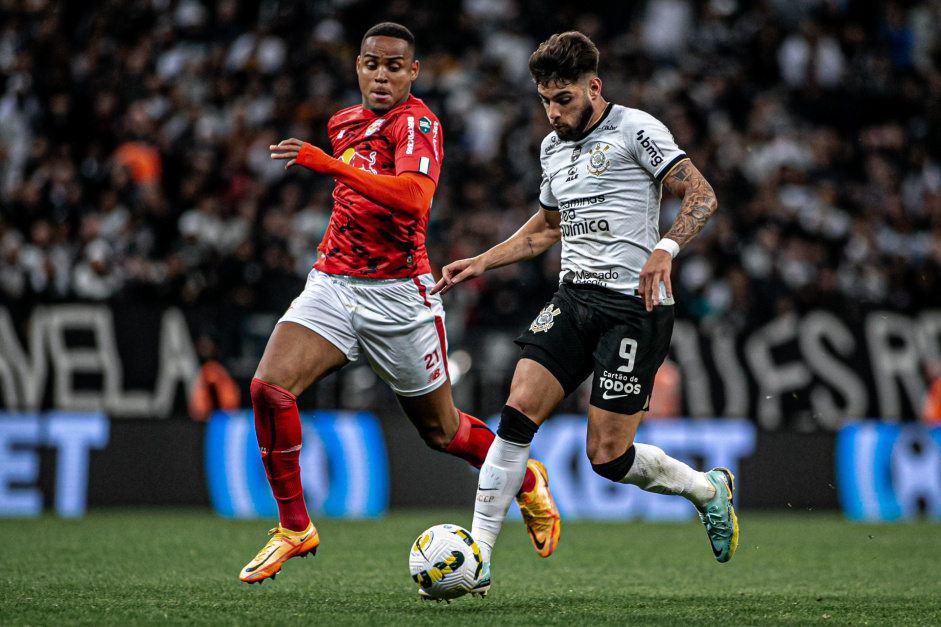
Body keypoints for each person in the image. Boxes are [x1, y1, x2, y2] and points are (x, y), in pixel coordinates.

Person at [239, 23, 559, 587]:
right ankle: (294, 526)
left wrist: (332, 165)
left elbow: (413, 198)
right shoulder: (343, 123)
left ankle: (527, 481)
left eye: (393, 66)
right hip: (333, 284)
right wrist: (335, 167)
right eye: (370, 64)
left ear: (413, 73)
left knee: (442, 433)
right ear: (357, 67)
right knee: (269, 387)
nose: (380, 75)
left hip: (398, 299)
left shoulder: (419, 124)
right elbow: (355, 197)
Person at [432, 31, 735, 594]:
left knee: (607, 456)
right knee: (517, 411)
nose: (553, 112)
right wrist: (481, 261)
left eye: (564, 99)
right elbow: (546, 229)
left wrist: (665, 249)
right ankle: (478, 559)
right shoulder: (553, 148)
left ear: (593, 87)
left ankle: (706, 490)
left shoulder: (637, 130)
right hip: (574, 299)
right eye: (545, 100)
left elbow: (702, 195)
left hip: (634, 309)